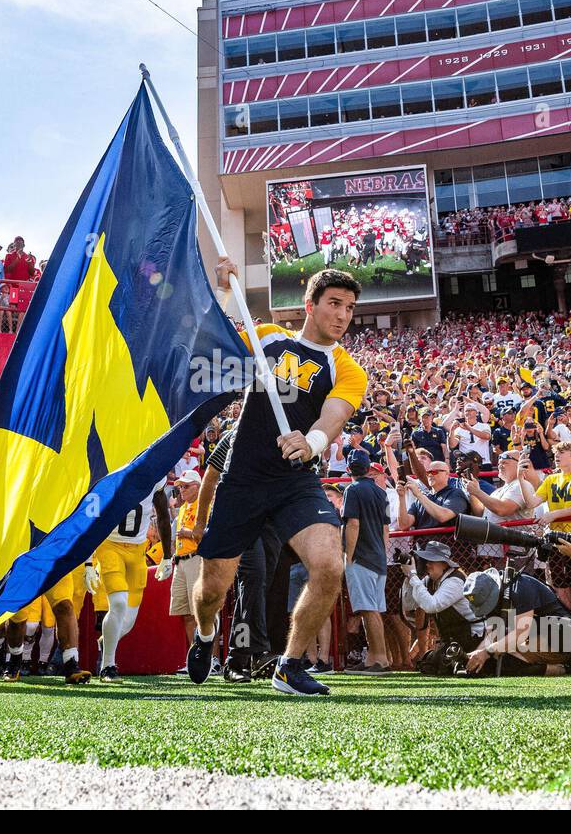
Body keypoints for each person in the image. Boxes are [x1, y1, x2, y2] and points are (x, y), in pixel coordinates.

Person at [193, 264, 367, 696]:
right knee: (213, 589)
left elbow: (335, 416)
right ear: (310, 305)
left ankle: (289, 665)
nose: (343, 315)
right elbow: (212, 346)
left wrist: (310, 442)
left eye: (349, 307)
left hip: (294, 480)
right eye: (334, 304)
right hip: (243, 478)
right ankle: (205, 632)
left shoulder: (348, 369)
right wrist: (225, 293)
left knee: (329, 564)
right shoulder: (268, 336)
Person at [93, 481, 174, 682]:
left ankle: (106, 643)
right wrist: (88, 563)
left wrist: (166, 556)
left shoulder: (154, 477)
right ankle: (108, 666)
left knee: (127, 622)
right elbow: (92, 518)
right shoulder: (114, 471)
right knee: (118, 603)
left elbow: (163, 517)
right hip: (110, 546)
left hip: (137, 551)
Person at [342, 448, 391, 674]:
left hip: (361, 557)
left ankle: (379, 659)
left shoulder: (352, 489)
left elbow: (353, 524)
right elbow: (385, 528)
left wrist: (347, 556)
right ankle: (375, 658)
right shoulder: (381, 492)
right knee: (373, 609)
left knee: (368, 609)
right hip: (378, 557)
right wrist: (383, 553)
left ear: (348, 469)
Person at [397, 459, 476, 531]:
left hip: (447, 545)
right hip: (422, 545)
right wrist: (401, 497)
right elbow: (404, 525)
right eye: (428, 473)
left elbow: (443, 516)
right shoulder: (420, 499)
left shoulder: (455, 494)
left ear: (447, 474)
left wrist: (418, 494)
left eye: (434, 472)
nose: (430, 475)